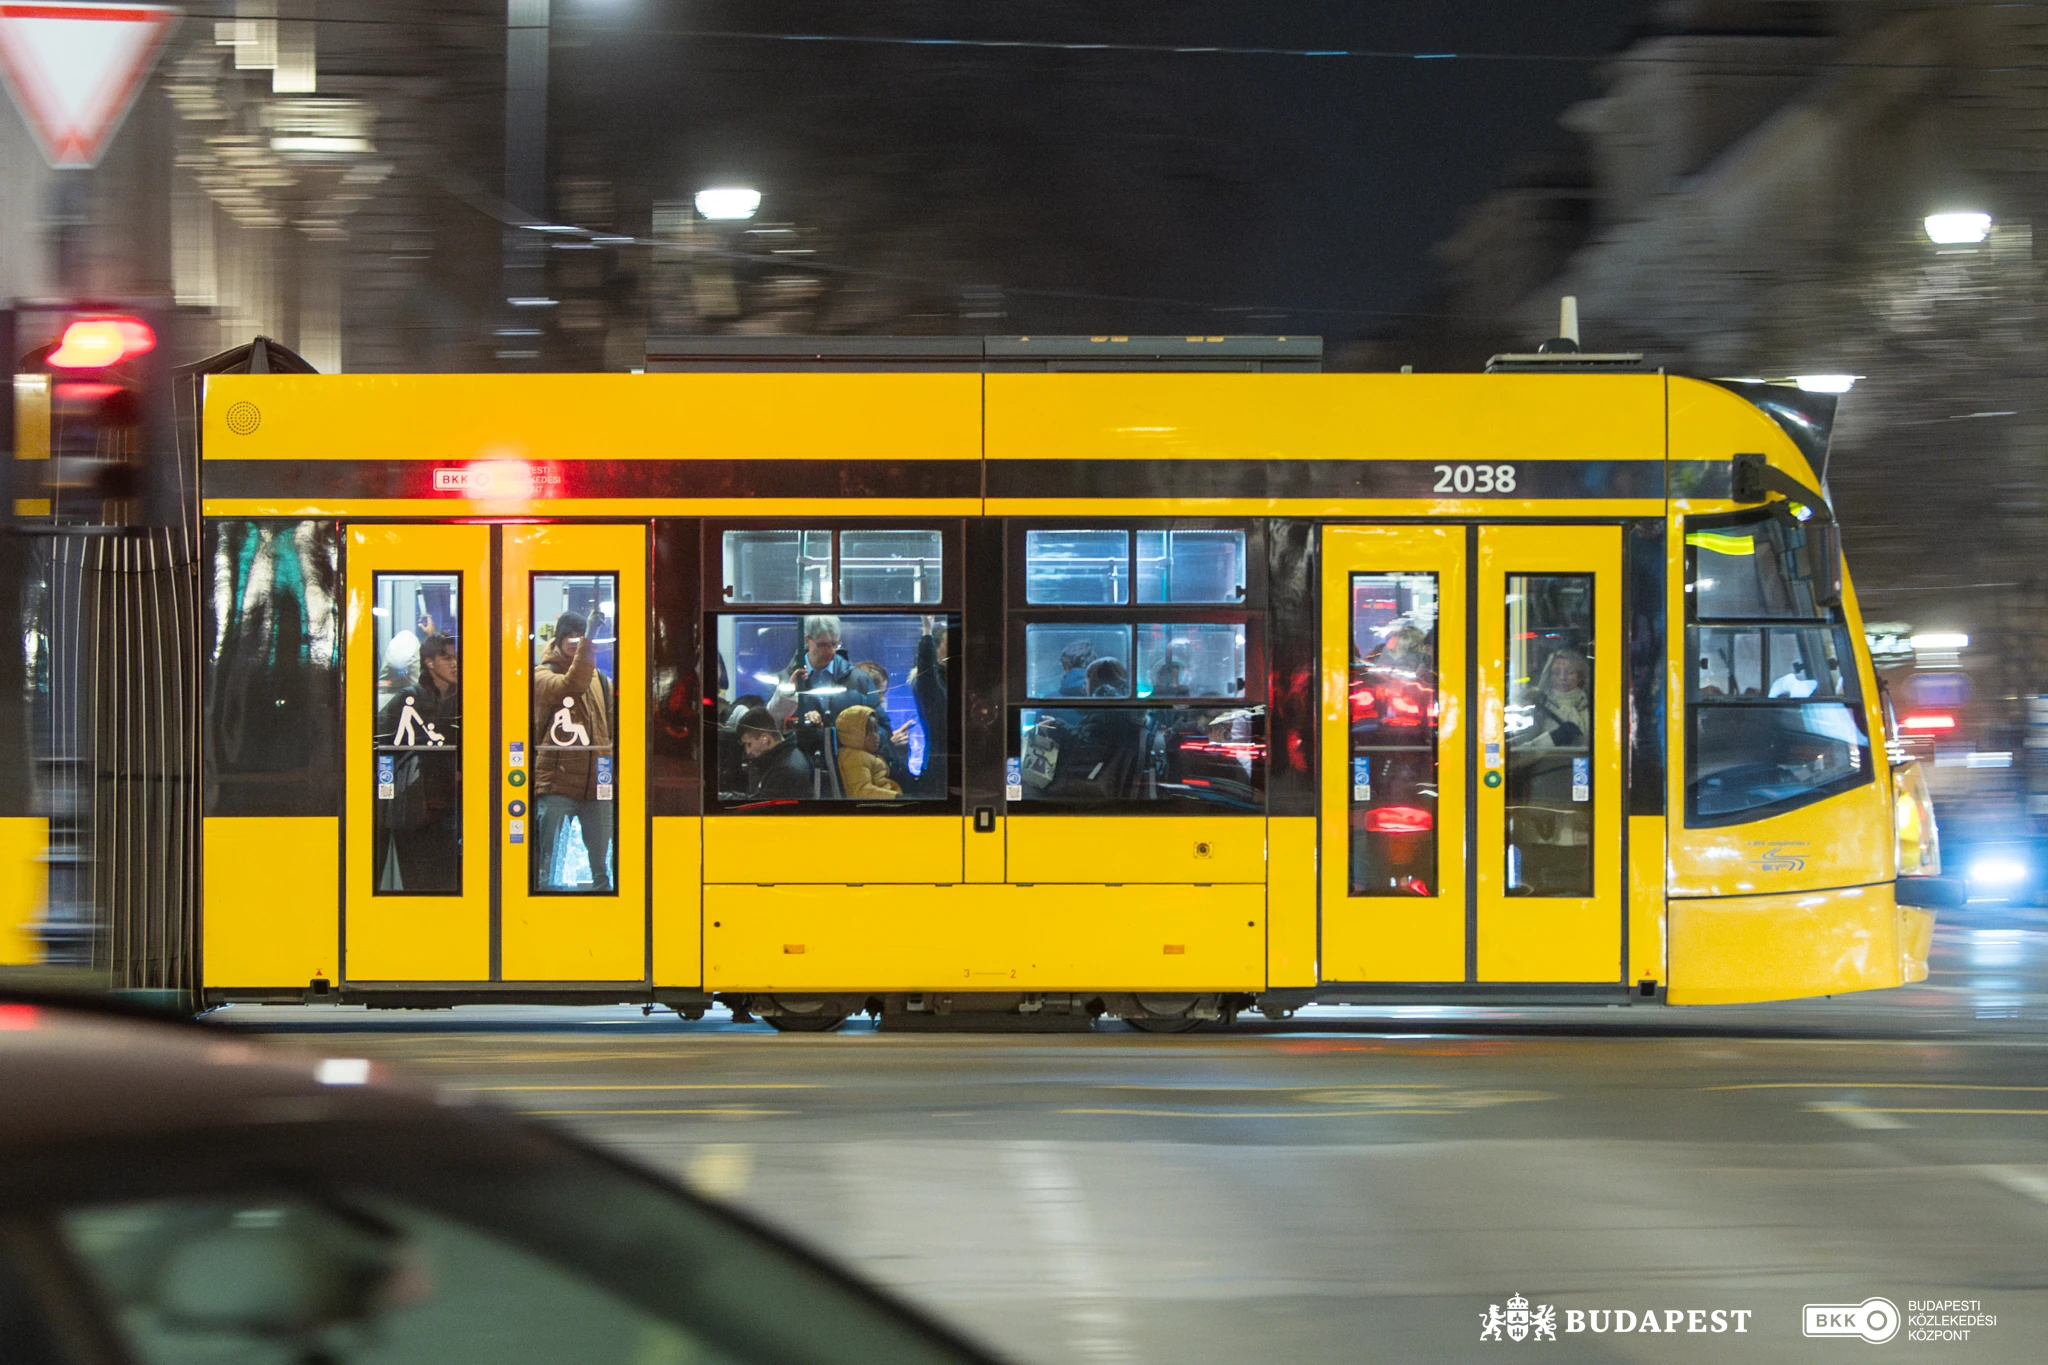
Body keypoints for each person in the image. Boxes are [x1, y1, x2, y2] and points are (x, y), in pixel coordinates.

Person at [532, 611, 615, 893]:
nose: (575, 641)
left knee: (603, 871)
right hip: (556, 784)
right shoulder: (542, 676)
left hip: (597, 787)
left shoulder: (601, 680)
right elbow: (571, 685)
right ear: (557, 638)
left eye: (580, 635)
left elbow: (613, 728)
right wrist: (590, 640)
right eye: (569, 635)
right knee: (548, 867)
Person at [377, 632, 461, 894]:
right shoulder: (409, 699)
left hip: (452, 811)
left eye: (456, 656)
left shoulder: (464, 701)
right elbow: (381, 746)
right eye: (446, 657)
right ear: (429, 663)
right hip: (416, 811)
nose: (455, 663)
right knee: (419, 886)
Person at [1506, 646, 1592, 894]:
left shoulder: (1592, 705)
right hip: (1542, 791)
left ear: (1580, 676)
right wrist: (1553, 740)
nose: (1563, 677)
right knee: (1544, 854)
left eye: (1570, 672)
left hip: (1579, 789)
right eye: (1557, 672)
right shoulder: (1534, 706)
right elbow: (1518, 752)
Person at [767, 615, 874, 728]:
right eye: (823, 645)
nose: (830, 651)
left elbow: (880, 729)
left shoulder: (860, 681)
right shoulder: (782, 684)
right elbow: (771, 729)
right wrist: (801, 721)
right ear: (808, 641)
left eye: (834, 644)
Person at [908, 618, 950, 796]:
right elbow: (928, 675)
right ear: (936, 649)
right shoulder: (926, 682)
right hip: (939, 764)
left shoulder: (949, 677)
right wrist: (927, 632)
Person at [734, 707, 815, 799]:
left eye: (749, 744)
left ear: (765, 739)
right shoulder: (787, 756)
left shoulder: (783, 772)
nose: (748, 751)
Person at [834, 705, 902, 799]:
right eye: (869, 730)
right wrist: (895, 797)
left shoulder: (866, 754)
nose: (876, 735)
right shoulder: (854, 758)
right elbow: (861, 791)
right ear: (854, 734)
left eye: (875, 729)